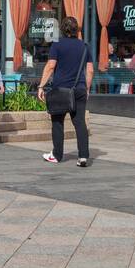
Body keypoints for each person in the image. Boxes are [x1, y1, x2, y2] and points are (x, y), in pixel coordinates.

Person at [36, 16, 93, 167]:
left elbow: (50, 66)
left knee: (57, 122)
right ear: (76, 30)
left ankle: (57, 155)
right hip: (79, 88)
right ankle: (83, 157)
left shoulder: (57, 45)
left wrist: (41, 86)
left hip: (61, 89)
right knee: (80, 122)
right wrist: (86, 88)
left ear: (62, 29)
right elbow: (90, 70)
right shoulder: (85, 46)